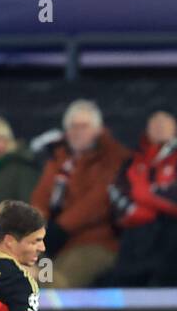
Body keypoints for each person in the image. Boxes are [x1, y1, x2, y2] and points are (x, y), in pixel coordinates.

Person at [30, 99, 130, 288]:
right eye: (73, 126)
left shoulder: (113, 158)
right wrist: (39, 227)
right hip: (52, 240)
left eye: (84, 126)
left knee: (57, 282)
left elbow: (98, 202)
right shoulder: (59, 158)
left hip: (95, 242)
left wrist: (60, 228)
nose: (77, 132)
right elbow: (40, 197)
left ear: (98, 130)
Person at [107, 108, 177, 287]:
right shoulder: (132, 160)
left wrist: (142, 195)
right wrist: (146, 210)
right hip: (137, 235)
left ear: (176, 127)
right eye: (154, 122)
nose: (159, 126)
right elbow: (116, 195)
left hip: (175, 234)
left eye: (165, 121)